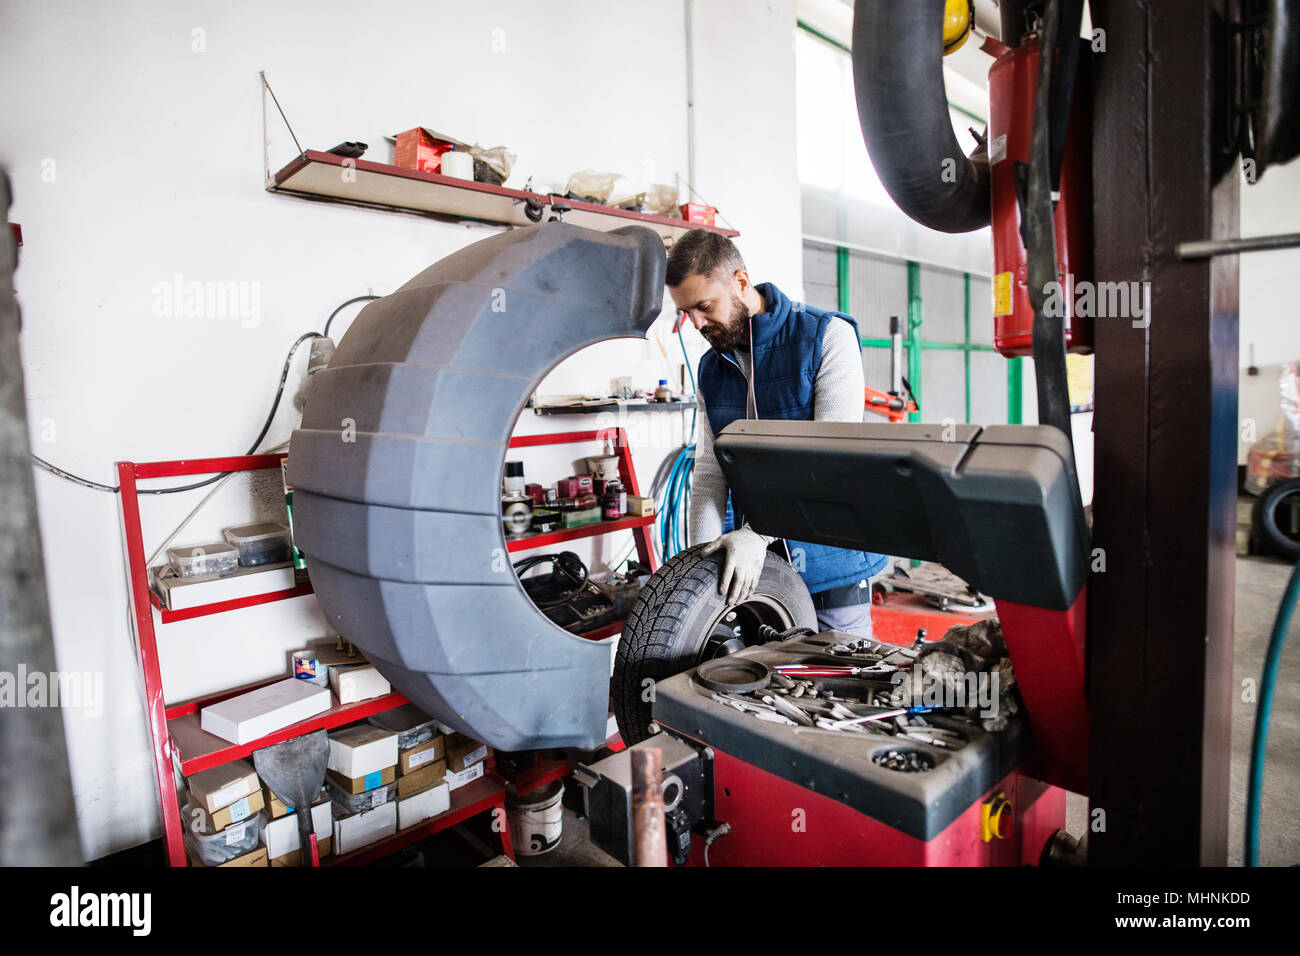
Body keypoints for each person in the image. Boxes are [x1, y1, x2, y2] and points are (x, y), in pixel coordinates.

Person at [667, 229, 888, 637]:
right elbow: (711, 472)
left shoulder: (827, 337)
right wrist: (699, 564)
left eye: (704, 306)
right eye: (686, 312)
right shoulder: (711, 369)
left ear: (741, 282)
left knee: (838, 684)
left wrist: (756, 535)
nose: (696, 323)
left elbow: (828, 464)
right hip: (757, 571)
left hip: (831, 562)